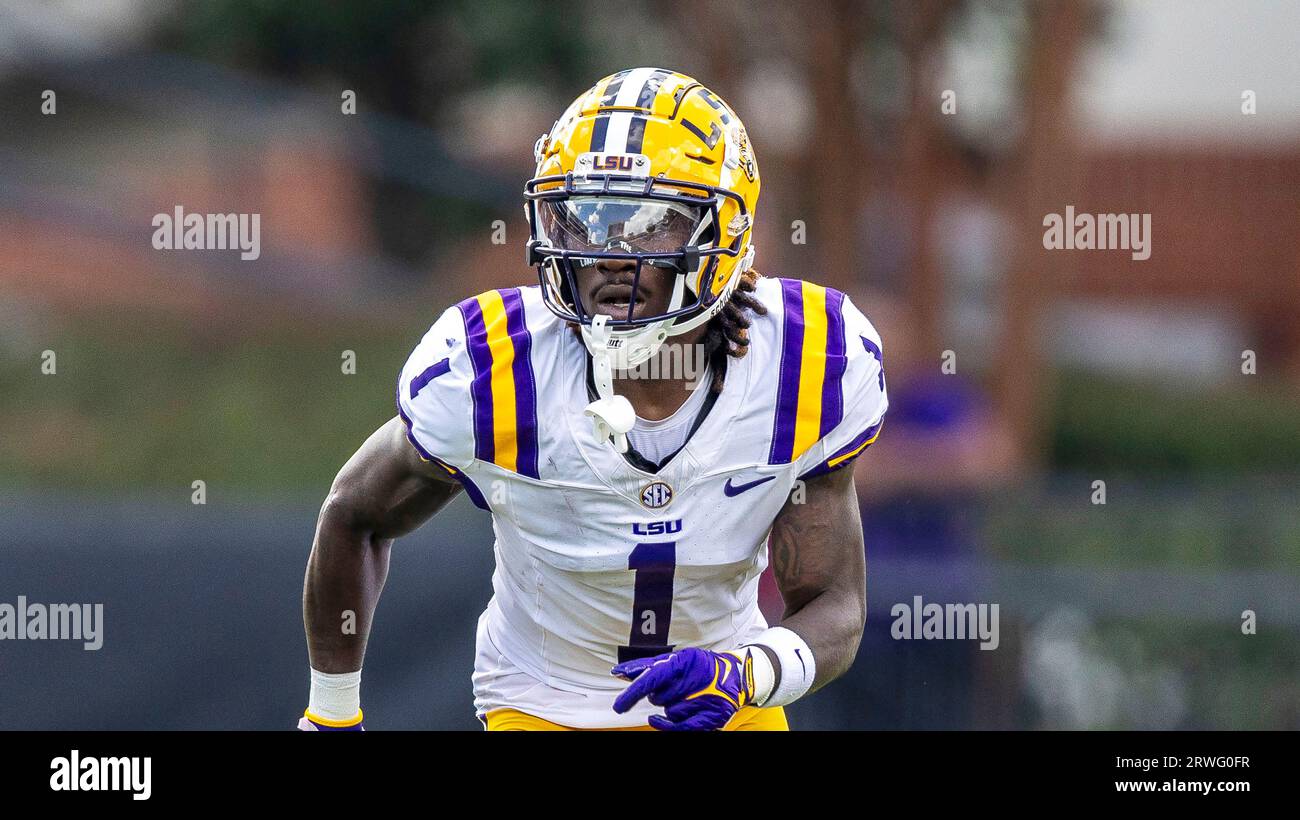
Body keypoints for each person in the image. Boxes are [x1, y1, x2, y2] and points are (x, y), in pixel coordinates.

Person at [300, 68, 887, 731]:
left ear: (723, 232)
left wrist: (748, 672)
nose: (610, 251)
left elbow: (835, 604)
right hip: (544, 706)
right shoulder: (496, 371)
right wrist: (331, 717)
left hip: (724, 704)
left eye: (646, 221)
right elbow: (355, 513)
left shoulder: (805, 365)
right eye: (586, 218)